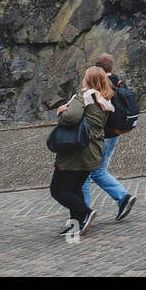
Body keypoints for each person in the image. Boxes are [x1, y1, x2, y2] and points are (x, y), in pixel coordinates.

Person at [50, 66, 115, 238]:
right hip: (93, 152)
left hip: (76, 152)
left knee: (57, 189)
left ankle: (85, 212)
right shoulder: (105, 100)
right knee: (75, 187)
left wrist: (61, 113)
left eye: (85, 77)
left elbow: (71, 118)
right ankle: (76, 223)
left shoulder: (84, 96)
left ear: (89, 80)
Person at [80, 53, 137, 222]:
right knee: (98, 171)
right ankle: (123, 197)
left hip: (100, 136)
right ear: (112, 66)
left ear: (97, 68)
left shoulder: (100, 84)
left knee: (85, 173)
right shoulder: (119, 81)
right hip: (114, 134)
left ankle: (83, 213)